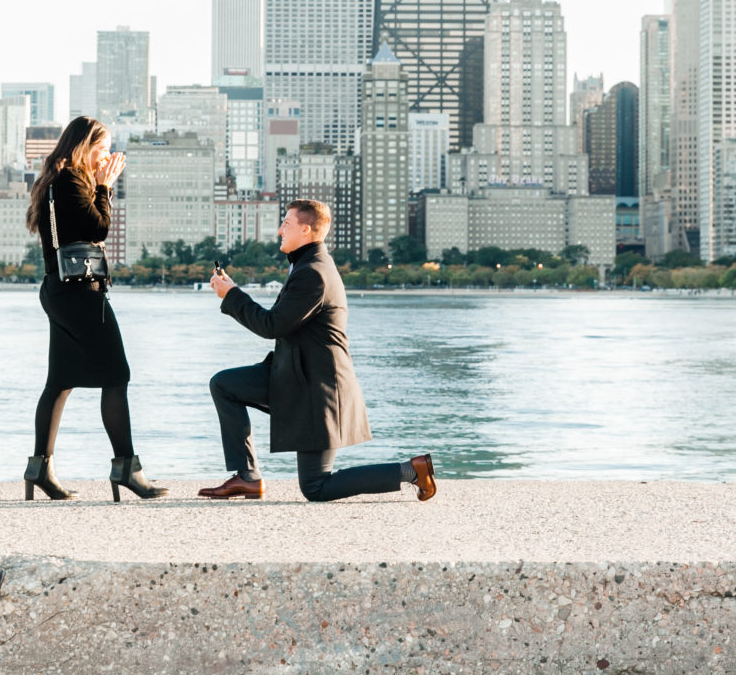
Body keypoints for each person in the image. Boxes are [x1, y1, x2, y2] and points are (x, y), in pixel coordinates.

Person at [200, 199, 436, 502]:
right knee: (225, 384)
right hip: (295, 378)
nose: (279, 230)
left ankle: (411, 471)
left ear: (306, 229)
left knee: (315, 487)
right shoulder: (306, 265)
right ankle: (247, 477)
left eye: (286, 223)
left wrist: (232, 295)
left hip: (317, 390)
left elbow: (272, 326)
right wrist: (233, 294)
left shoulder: (313, 272)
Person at [22, 116, 167, 503]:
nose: (107, 155)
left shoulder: (57, 181)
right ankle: (127, 469)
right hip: (81, 294)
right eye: (103, 148)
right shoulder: (70, 181)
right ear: (85, 146)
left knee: (60, 381)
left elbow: (82, 228)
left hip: (60, 291)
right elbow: (98, 228)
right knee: (117, 375)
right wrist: (104, 185)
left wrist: (99, 185)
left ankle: (40, 468)